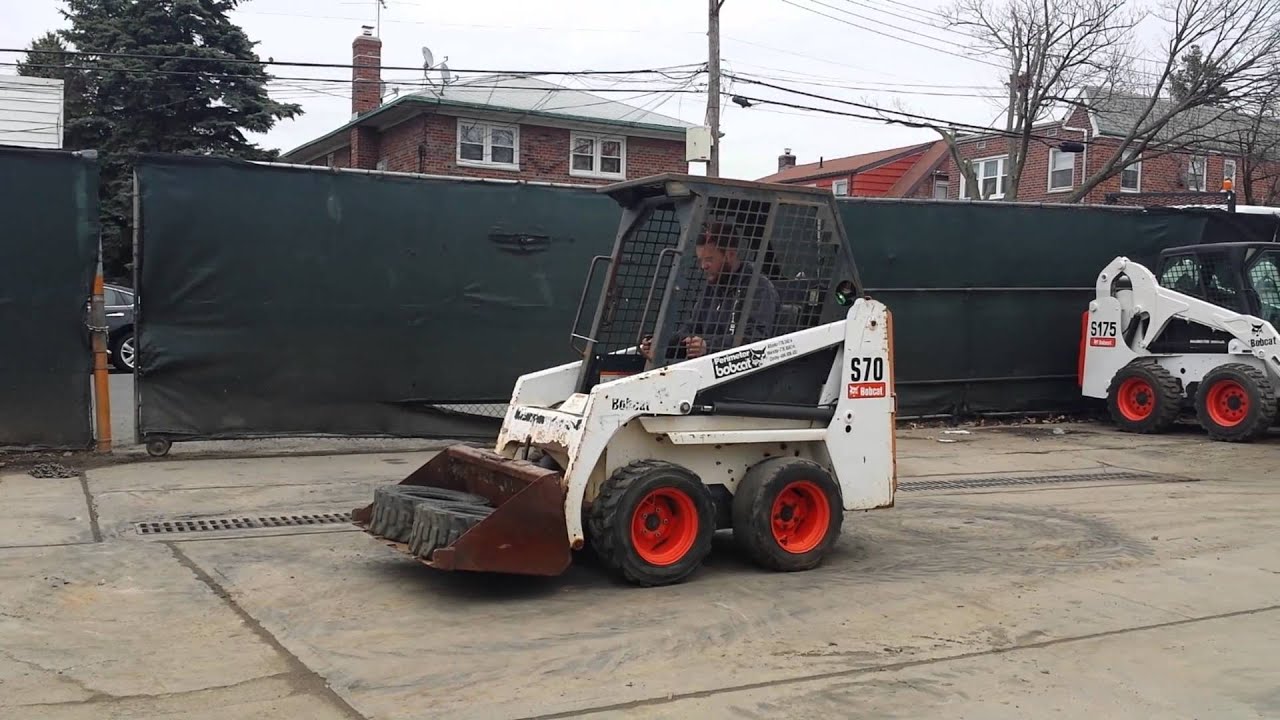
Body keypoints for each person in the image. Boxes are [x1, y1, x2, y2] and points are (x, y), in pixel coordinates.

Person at [641, 220, 779, 362]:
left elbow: (757, 338)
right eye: (700, 260)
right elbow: (691, 329)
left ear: (730, 255)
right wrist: (660, 343)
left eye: (709, 259)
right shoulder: (712, 288)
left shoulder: (758, 287)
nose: (703, 266)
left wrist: (709, 346)